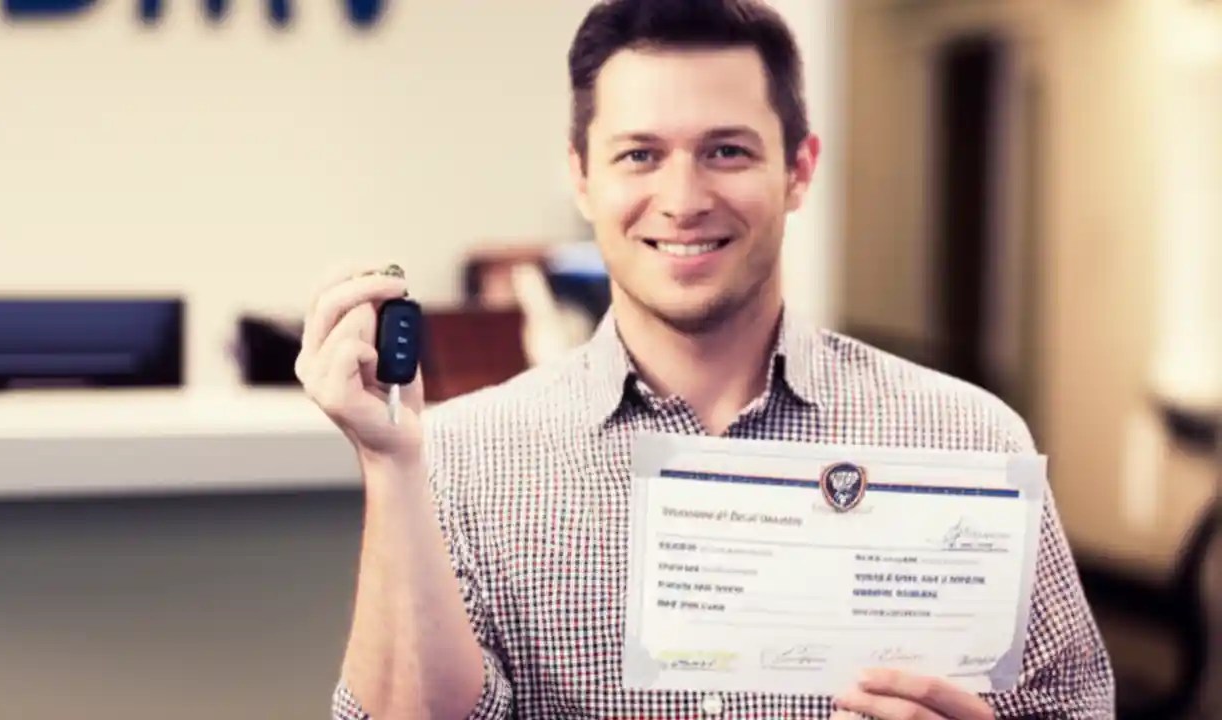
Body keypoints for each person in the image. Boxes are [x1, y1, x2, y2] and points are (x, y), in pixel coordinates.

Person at [298, 0, 1116, 717]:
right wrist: (389, 462)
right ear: (582, 177)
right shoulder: (463, 459)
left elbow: (1073, 707)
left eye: (726, 150)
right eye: (639, 154)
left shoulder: (967, 438)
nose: (683, 200)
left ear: (799, 170)